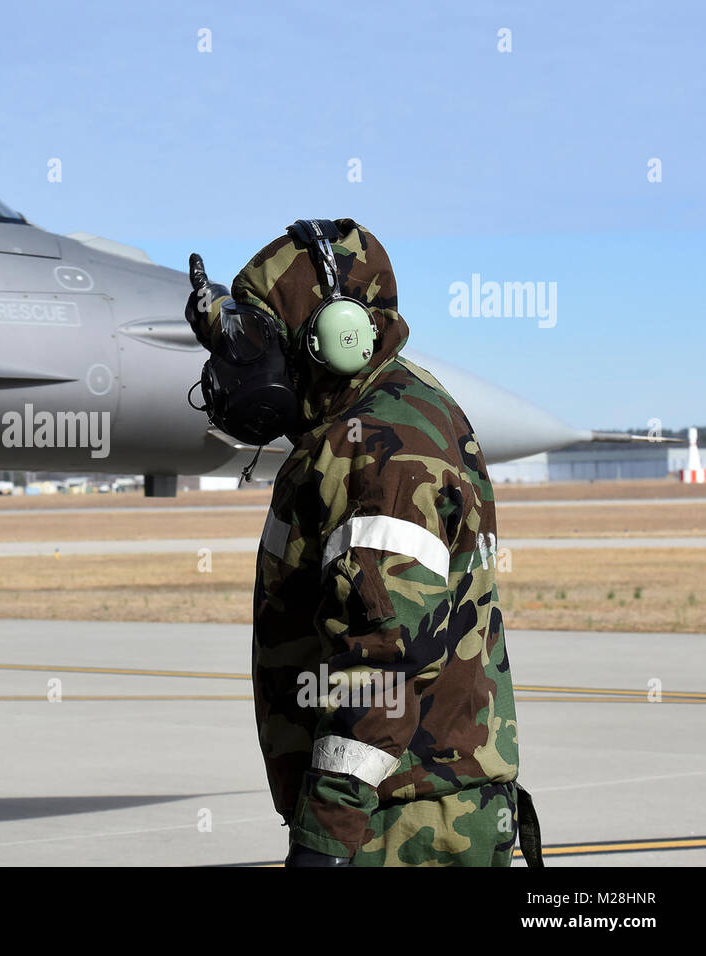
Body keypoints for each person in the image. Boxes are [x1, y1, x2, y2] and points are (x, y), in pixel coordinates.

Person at [185, 219, 541, 867]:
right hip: (412, 800)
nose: (251, 361)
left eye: (266, 335)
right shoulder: (392, 412)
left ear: (335, 337)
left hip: (403, 822)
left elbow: (387, 661)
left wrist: (326, 836)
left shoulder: (378, 449)